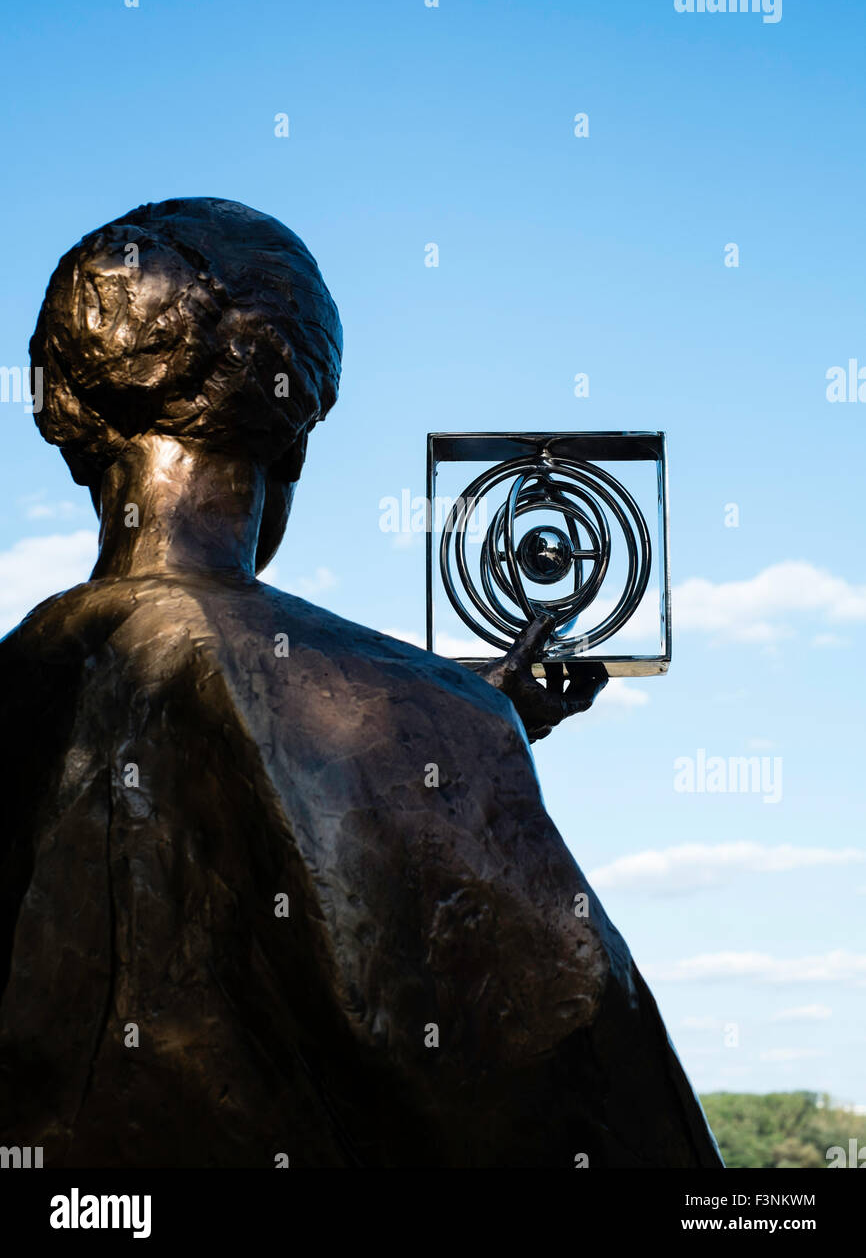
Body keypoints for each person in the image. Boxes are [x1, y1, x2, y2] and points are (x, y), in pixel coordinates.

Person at [0, 198, 721, 1167]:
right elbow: (615, 1123)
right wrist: (453, 729)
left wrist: (463, 715)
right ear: (289, 434)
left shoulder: (29, 677)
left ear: (79, 425)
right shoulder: (423, 722)